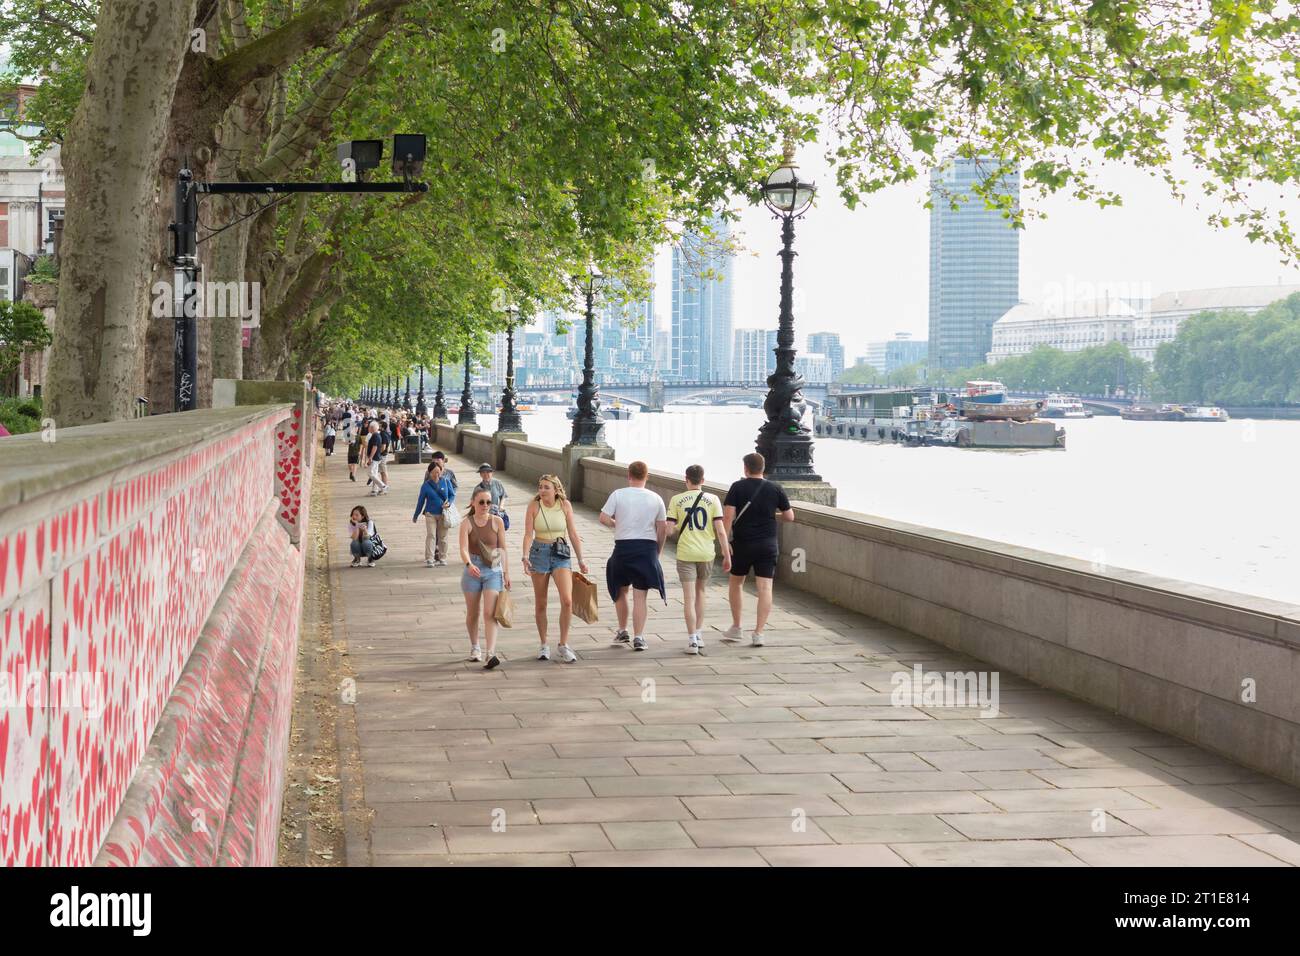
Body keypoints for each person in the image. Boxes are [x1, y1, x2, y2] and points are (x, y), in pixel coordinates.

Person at [722, 452, 794, 647]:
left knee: (736, 584)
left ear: (745, 468)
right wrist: (770, 514)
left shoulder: (737, 487)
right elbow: (789, 516)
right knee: (765, 588)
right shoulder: (775, 488)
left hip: (742, 544)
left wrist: (725, 542)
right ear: (763, 468)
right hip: (767, 545)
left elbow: (728, 517)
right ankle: (759, 632)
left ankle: (737, 627)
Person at [599, 461, 668, 652]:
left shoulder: (618, 494)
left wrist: (616, 524)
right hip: (646, 549)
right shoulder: (656, 498)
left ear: (629, 475)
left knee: (621, 591)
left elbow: (603, 517)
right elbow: (662, 528)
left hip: (622, 548)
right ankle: (639, 638)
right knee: (640, 596)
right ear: (647, 476)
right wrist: (657, 552)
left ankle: (622, 630)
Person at [521, 474, 588, 662]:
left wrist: (581, 559)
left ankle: (563, 644)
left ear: (556, 489)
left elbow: (573, 534)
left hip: (560, 554)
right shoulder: (534, 506)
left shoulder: (565, 505)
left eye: (546, 487)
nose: (541, 490)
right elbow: (528, 534)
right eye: (540, 487)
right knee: (541, 603)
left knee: (567, 600)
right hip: (538, 553)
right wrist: (525, 556)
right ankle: (543, 644)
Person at [666, 464, 730, 655]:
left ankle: (692, 640)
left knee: (688, 597)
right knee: (701, 592)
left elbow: (669, 530)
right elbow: (720, 530)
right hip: (706, 553)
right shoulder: (713, 499)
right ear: (703, 480)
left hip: (686, 553)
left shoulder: (676, 500)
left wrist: (677, 527)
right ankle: (700, 634)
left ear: (686, 479)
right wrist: (726, 555)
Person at [459, 486, 511, 669]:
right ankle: (475, 647)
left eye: (489, 502)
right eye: (481, 502)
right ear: (473, 503)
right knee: (473, 612)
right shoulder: (467, 523)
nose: (485, 505)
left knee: (490, 612)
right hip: (473, 569)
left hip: (493, 569)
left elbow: (502, 549)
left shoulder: (497, 522)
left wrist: (506, 573)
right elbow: (463, 548)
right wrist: (469, 564)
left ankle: (491, 653)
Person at [413, 461, 456, 566]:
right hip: (430, 514)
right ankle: (429, 558)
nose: (436, 475)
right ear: (429, 472)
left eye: (438, 472)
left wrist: (449, 503)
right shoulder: (426, 486)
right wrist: (416, 515)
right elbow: (421, 501)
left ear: (441, 472)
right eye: (433, 472)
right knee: (431, 535)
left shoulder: (446, 482)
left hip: (443, 514)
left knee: (443, 537)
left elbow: (452, 495)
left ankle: (442, 557)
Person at [475, 463, 509, 528]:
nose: (486, 474)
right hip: (484, 514)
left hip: (497, 513)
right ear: (480, 474)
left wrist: (501, 506)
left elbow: (503, 495)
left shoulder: (497, 483)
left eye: (488, 472)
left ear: (492, 473)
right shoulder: (478, 488)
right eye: (483, 472)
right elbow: (475, 503)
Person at [362, 421, 388, 495]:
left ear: (372, 428)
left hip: (375, 458)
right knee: (375, 473)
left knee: (371, 473)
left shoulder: (375, 436)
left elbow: (375, 447)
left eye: (369, 427)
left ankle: (383, 486)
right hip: (376, 457)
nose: (368, 429)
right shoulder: (376, 435)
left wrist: (370, 457)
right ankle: (374, 490)